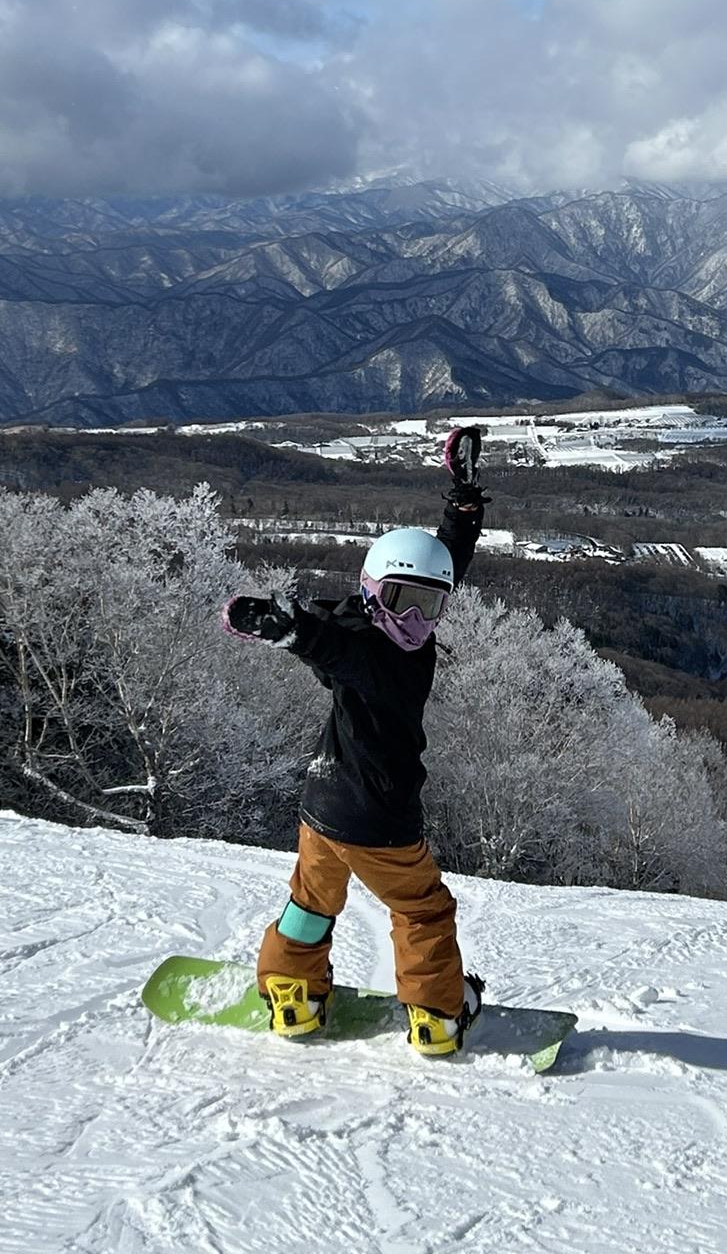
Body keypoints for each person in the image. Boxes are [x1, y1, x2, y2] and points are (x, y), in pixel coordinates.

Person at [222, 427, 487, 1056]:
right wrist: (291, 634)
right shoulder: (375, 655)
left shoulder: (375, 625)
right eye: (403, 601)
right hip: (380, 818)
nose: (417, 621)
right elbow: (334, 650)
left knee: (311, 901)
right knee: (422, 911)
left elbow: (440, 563)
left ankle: (292, 994)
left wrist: (464, 506)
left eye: (432, 605)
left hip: (323, 803)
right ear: (373, 593)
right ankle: (437, 1016)